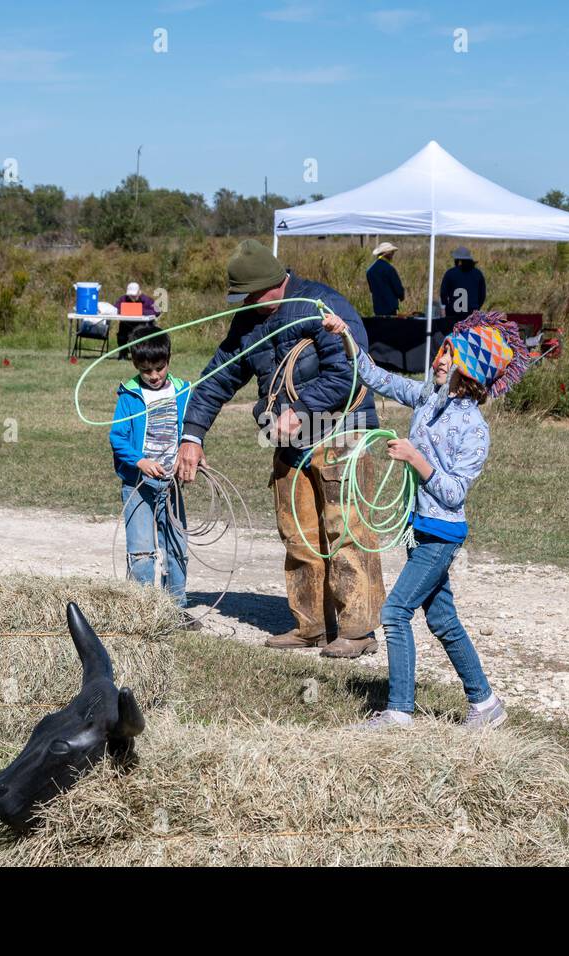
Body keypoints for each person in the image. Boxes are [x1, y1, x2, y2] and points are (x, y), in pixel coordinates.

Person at [174, 239, 386, 659]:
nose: (245, 304)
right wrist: (192, 436)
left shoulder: (322, 306)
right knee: (297, 531)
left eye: (249, 296)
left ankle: (357, 629)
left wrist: (303, 409)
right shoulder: (249, 321)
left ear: (271, 286)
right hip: (289, 440)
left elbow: (351, 371)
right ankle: (312, 625)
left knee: (345, 530)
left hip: (340, 432)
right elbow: (216, 378)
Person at [321, 309, 532, 731]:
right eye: (441, 351)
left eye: (449, 355)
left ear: (469, 371)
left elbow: (455, 494)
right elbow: (376, 376)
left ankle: (399, 711)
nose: (438, 359)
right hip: (420, 529)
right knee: (441, 619)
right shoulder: (429, 398)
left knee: (396, 612)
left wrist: (416, 459)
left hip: (441, 534)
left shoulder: (474, 428)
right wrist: (345, 335)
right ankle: (486, 704)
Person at [109, 324, 197, 626]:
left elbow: (191, 432)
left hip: (170, 485)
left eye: (159, 368)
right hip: (138, 485)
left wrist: (195, 454)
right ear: (136, 365)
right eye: (147, 370)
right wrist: (140, 461)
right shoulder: (130, 396)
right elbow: (118, 437)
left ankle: (176, 609)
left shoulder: (183, 391)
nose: (155, 375)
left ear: (169, 360)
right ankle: (142, 610)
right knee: (142, 551)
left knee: (176, 545)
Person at [439, 246, 486, 323]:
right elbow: (482, 296)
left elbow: (443, 294)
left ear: (457, 260)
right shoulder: (478, 274)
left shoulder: (450, 273)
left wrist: (447, 307)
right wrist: (476, 307)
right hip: (472, 315)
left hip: (453, 314)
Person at [114, 282, 161, 358]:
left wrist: (141, 311)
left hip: (142, 325)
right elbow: (115, 309)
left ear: (139, 292)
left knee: (142, 333)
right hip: (127, 324)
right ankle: (123, 353)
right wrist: (125, 311)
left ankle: (142, 354)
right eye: (130, 295)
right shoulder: (123, 299)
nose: (132, 297)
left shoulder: (148, 300)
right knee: (121, 334)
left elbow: (157, 311)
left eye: (134, 295)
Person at [366, 241, 405, 317]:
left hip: (377, 307)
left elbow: (371, 289)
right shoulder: (389, 269)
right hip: (390, 308)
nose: (393, 254)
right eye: (392, 252)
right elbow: (398, 289)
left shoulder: (370, 271)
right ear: (388, 254)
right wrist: (401, 296)